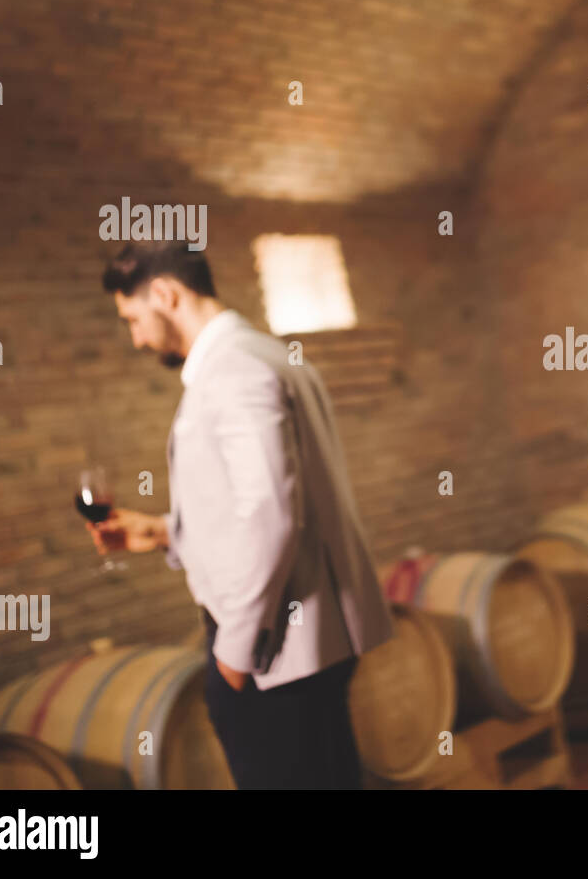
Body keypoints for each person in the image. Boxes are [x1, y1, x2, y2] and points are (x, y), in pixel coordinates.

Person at [87, 239, 395, 788]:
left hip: (272, 650)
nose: (135, 336)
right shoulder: (269, 353)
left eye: (132, 318)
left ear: (164, 292)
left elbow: (270, 515)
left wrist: (232, 653)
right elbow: (271, 502)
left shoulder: (232, 369)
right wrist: (164, 533)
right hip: (309, 640)